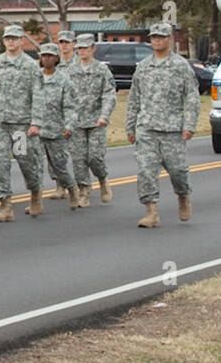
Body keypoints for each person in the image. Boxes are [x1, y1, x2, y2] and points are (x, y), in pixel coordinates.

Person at [125, 23, 201, 228]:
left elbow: (192, 98)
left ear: (170, 39)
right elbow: (134, 98)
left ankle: (183, 196)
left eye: (161, 37)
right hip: (147, 128)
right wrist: (130, 126)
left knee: (178, 171)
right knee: (146, 171)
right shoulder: (143, 67)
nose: (156, 40)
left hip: (172, 128)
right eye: (153, 37)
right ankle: (151, 212)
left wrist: (190, 125)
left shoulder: (180, 66)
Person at [0, 25, 44, 222]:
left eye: (14, 38)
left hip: (21, 125)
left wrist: (36, 122)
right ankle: (6, 205)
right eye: (7, 38)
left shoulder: (30, 67)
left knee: (26, 163)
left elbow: (38, 95)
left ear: (22, 41)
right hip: (0, 124)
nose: (10, 41)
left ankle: (35, 193)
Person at [68, 33, 117, 206]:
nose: (81, 51)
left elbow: (109, 94)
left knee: (95, 157)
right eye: (79, 48)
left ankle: (103, 179)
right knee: (78, 158)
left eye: (85, 48)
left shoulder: (102, 70)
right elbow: (64, 96)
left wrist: (104, 115)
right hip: (76, 121)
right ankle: (83, 191)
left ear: (93, 49)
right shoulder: (70, 70)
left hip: (96, 120)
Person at [36, 43, 79, 210]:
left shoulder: (64, 81)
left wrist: (69, 125)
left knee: (60, 166)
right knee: (34, 168)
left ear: (56, 58)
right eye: (44, 55)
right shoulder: (35, 78)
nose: (46, 59)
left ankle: (72, 189)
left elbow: (70, 107)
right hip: (36, 130)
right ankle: (36, 201)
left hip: (56, 131)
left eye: (50, 56)